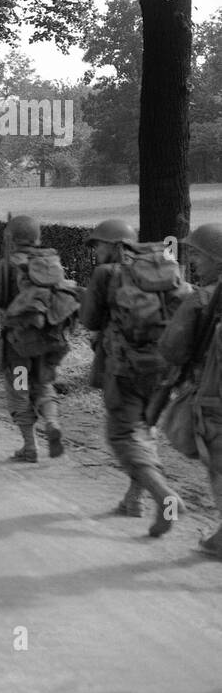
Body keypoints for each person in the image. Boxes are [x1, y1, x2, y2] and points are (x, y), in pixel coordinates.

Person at [79, 218, 185, 535]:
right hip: (162, 368)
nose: (96, 251)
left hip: (124, 368)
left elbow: (89, 320)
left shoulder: (106, 274)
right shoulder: (164, 269)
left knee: (122, 435)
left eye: (99, 244)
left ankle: (164, 496)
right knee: (143, 430)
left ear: (115, 245)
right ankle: (133, 500)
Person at [0, 215, 77, 462]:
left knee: (20, 389)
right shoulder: (50, 263)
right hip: (49, 342)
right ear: (38, 237)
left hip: (19, 346)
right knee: (43, 385)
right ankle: (52, 422)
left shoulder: (7, 264)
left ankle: (30, 446)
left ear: (10, 239)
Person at [158, 223, 222, 556]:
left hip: (212, 396)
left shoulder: (201, 299)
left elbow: (172, 349)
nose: (193, 261)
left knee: (217, 463)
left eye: (198, 254)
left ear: (217, 259)